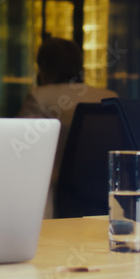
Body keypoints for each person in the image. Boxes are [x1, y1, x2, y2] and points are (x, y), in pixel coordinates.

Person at [17, 36, 118, 218]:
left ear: (43, 68)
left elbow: (19, 149)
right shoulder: (110, 96)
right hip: (104, 196)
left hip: (54, 199)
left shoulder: (39, 97)